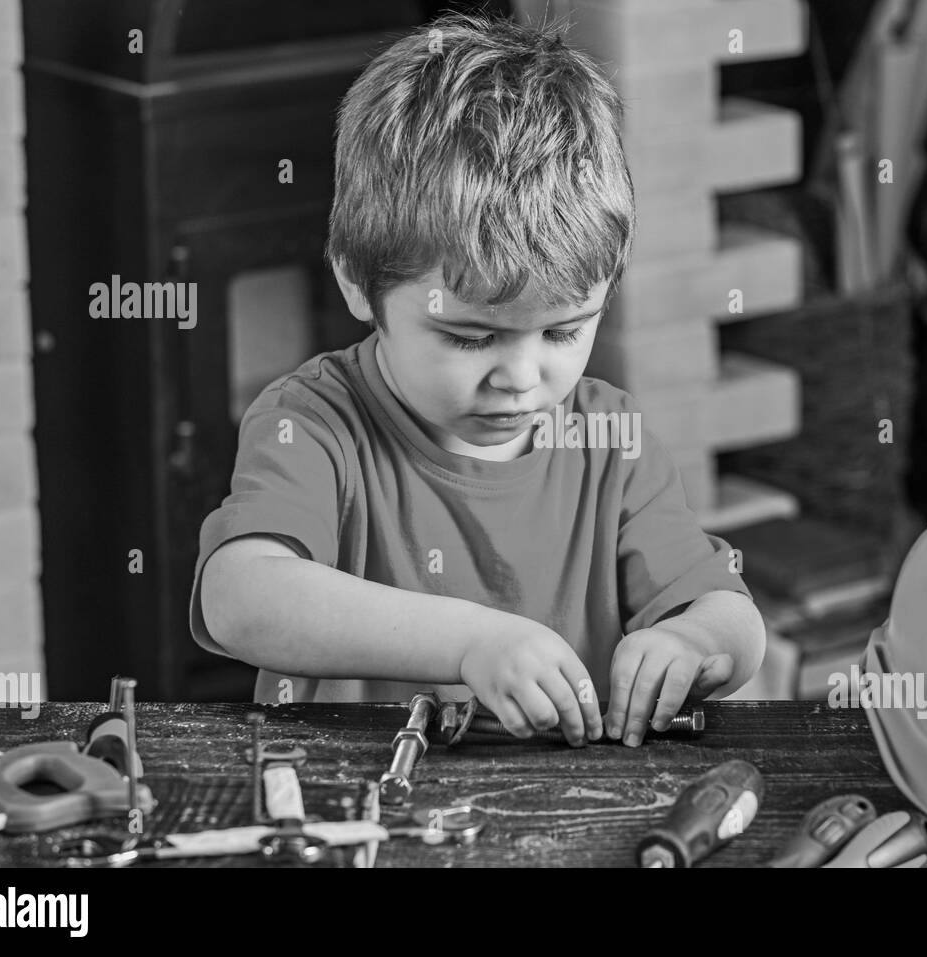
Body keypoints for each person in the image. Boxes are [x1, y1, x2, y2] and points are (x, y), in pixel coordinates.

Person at [189, 12, 765, 748]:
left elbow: (732, 618)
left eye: (564, 330)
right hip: (355, 812)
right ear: (359, 285)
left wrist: (691, 645)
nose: (521, 379)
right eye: (470, 336)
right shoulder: (312, 423)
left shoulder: (610, 439)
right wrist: (470, 641)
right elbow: (240, 597)